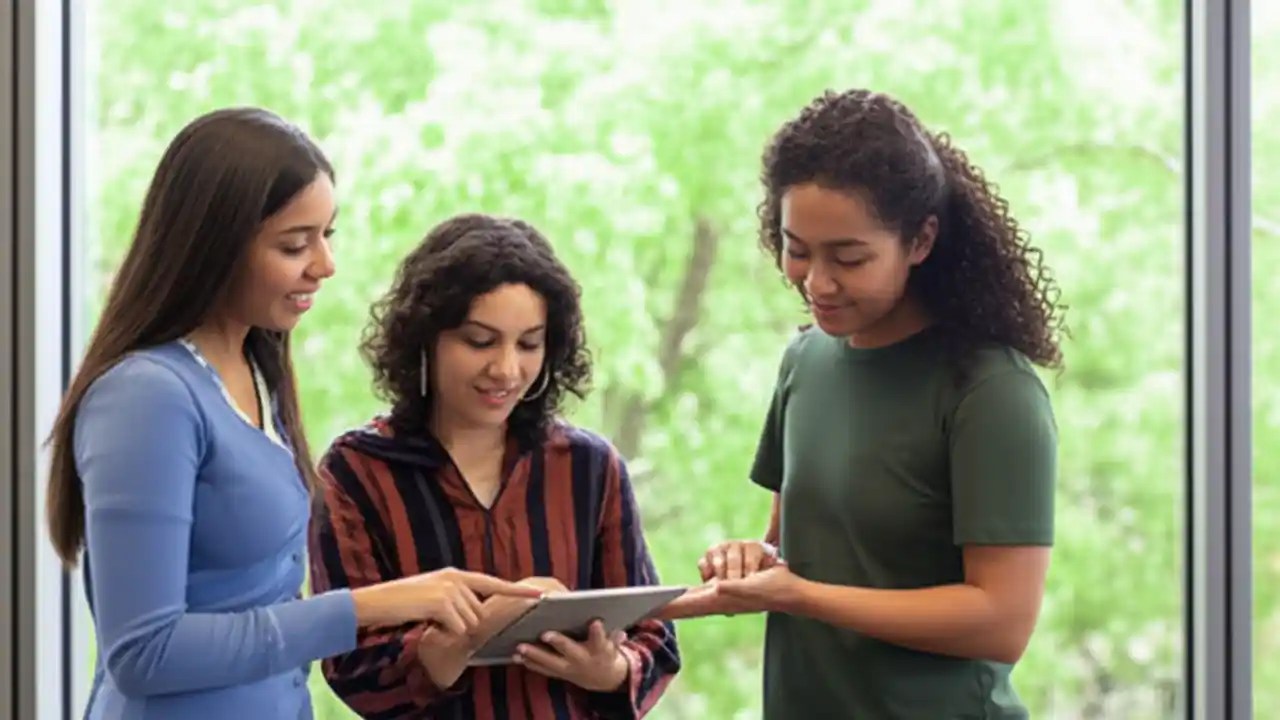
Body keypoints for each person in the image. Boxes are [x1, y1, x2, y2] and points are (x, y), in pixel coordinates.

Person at [44, 108, 541, 720]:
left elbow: (259, 609)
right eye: (294, 244)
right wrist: (372, 606)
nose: (324, 264)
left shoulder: (257, 373)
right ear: (215, 245)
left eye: (327, 235)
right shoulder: (148, 397)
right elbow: (145, 652)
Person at [661, 88, 1063, 719]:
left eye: (849, 258)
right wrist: (750, 562)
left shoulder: (991, 393)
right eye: (797, 249)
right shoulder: (805, 360)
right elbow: (792, 552)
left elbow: (1001, 621)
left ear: (921, 241)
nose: (816, 282)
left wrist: (805, 596)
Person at [308, 212, 681, 718]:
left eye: (529, 344)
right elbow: (353, 670)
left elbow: (655, 640)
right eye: (480, 341)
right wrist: (478, 630)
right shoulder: (357, 472)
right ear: (425, 338)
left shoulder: (589, 467)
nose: (506, 369)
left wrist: (608, 670)